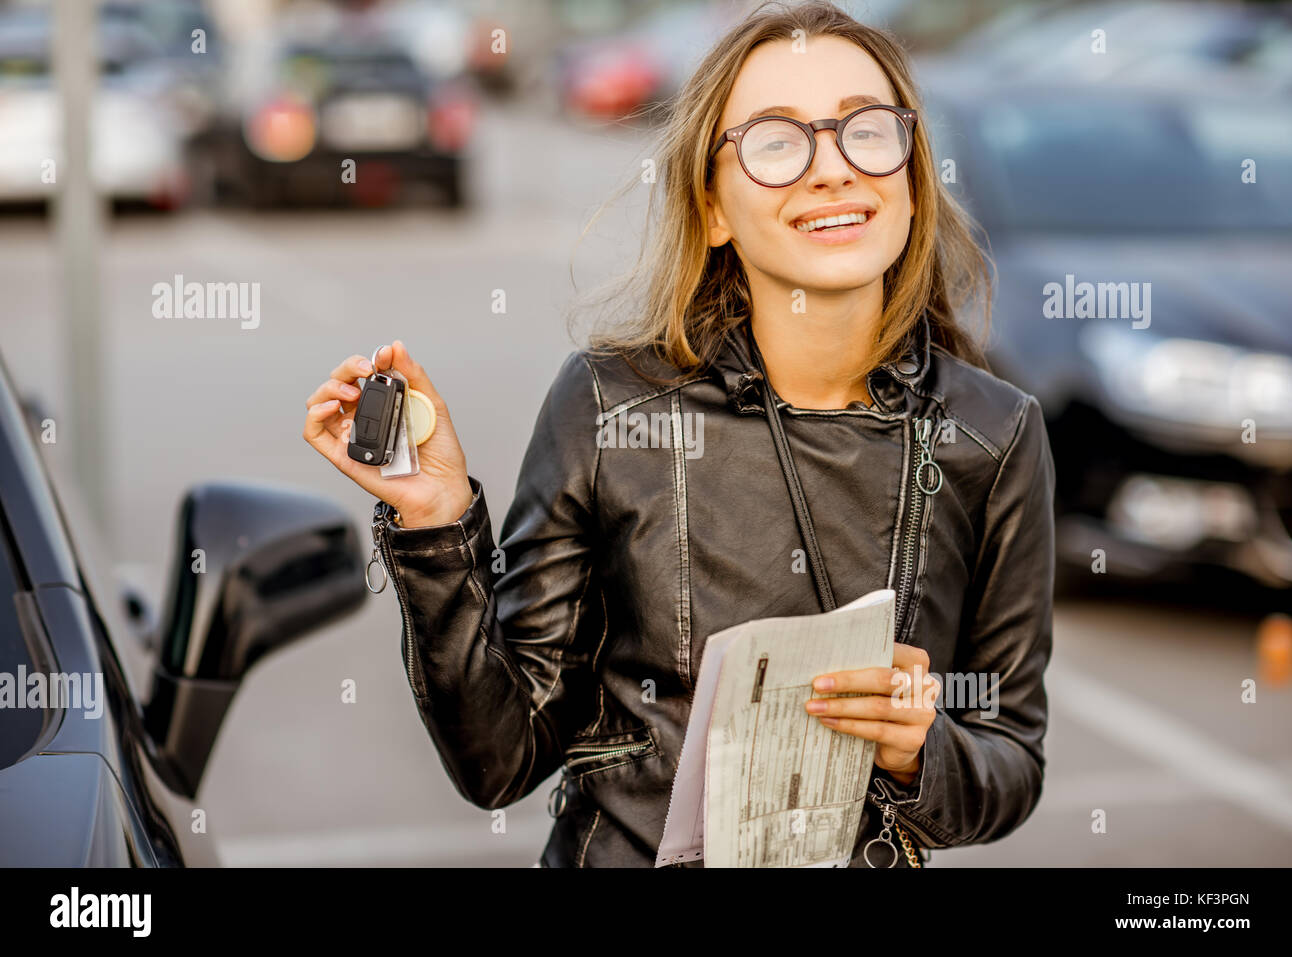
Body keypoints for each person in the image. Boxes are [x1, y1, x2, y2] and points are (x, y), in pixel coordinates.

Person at [302, 0, 1055, 868]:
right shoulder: (606, 407)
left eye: (867, 131)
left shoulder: (996, 434)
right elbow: (499, 758)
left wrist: (921, 746)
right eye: (777, 141)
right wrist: (436, 527)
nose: (834, 170)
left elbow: (1010, 755)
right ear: (714, 209)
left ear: (913, 176)